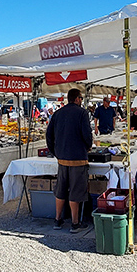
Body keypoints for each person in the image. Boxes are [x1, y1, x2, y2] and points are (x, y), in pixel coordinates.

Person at [46, 88, 92, 233]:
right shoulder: (82, 113)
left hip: (62, 159)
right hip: (78, 158)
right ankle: (75, 223)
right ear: (77, 98)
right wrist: (88, 147)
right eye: (81, 98)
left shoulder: (58, 113)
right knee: (76, 191)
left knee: (60, 190)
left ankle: (58, 220)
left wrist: (56, 152)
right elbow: (87, 135)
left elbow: (49, 135)